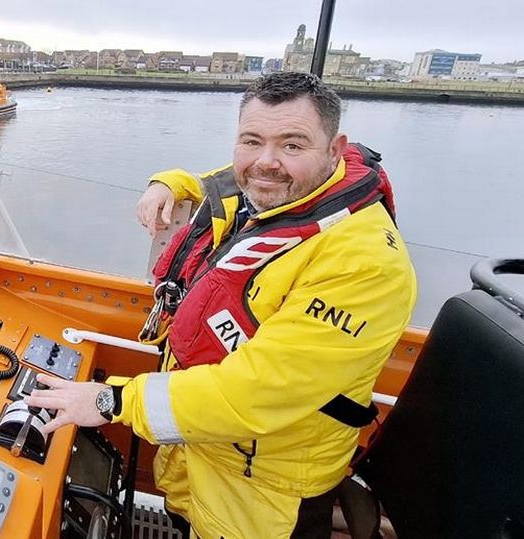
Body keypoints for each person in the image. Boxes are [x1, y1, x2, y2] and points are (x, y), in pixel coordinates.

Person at [26, 72, 416, 538]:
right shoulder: (277, 195)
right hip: (201, 455)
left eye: (292, 145)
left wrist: (112, 400)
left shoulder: (367, 265)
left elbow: (258, 390)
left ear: (335, 150)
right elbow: (221, 184)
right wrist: (168, 183)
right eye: (252, 140)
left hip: (264, 495)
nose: (266, 161)